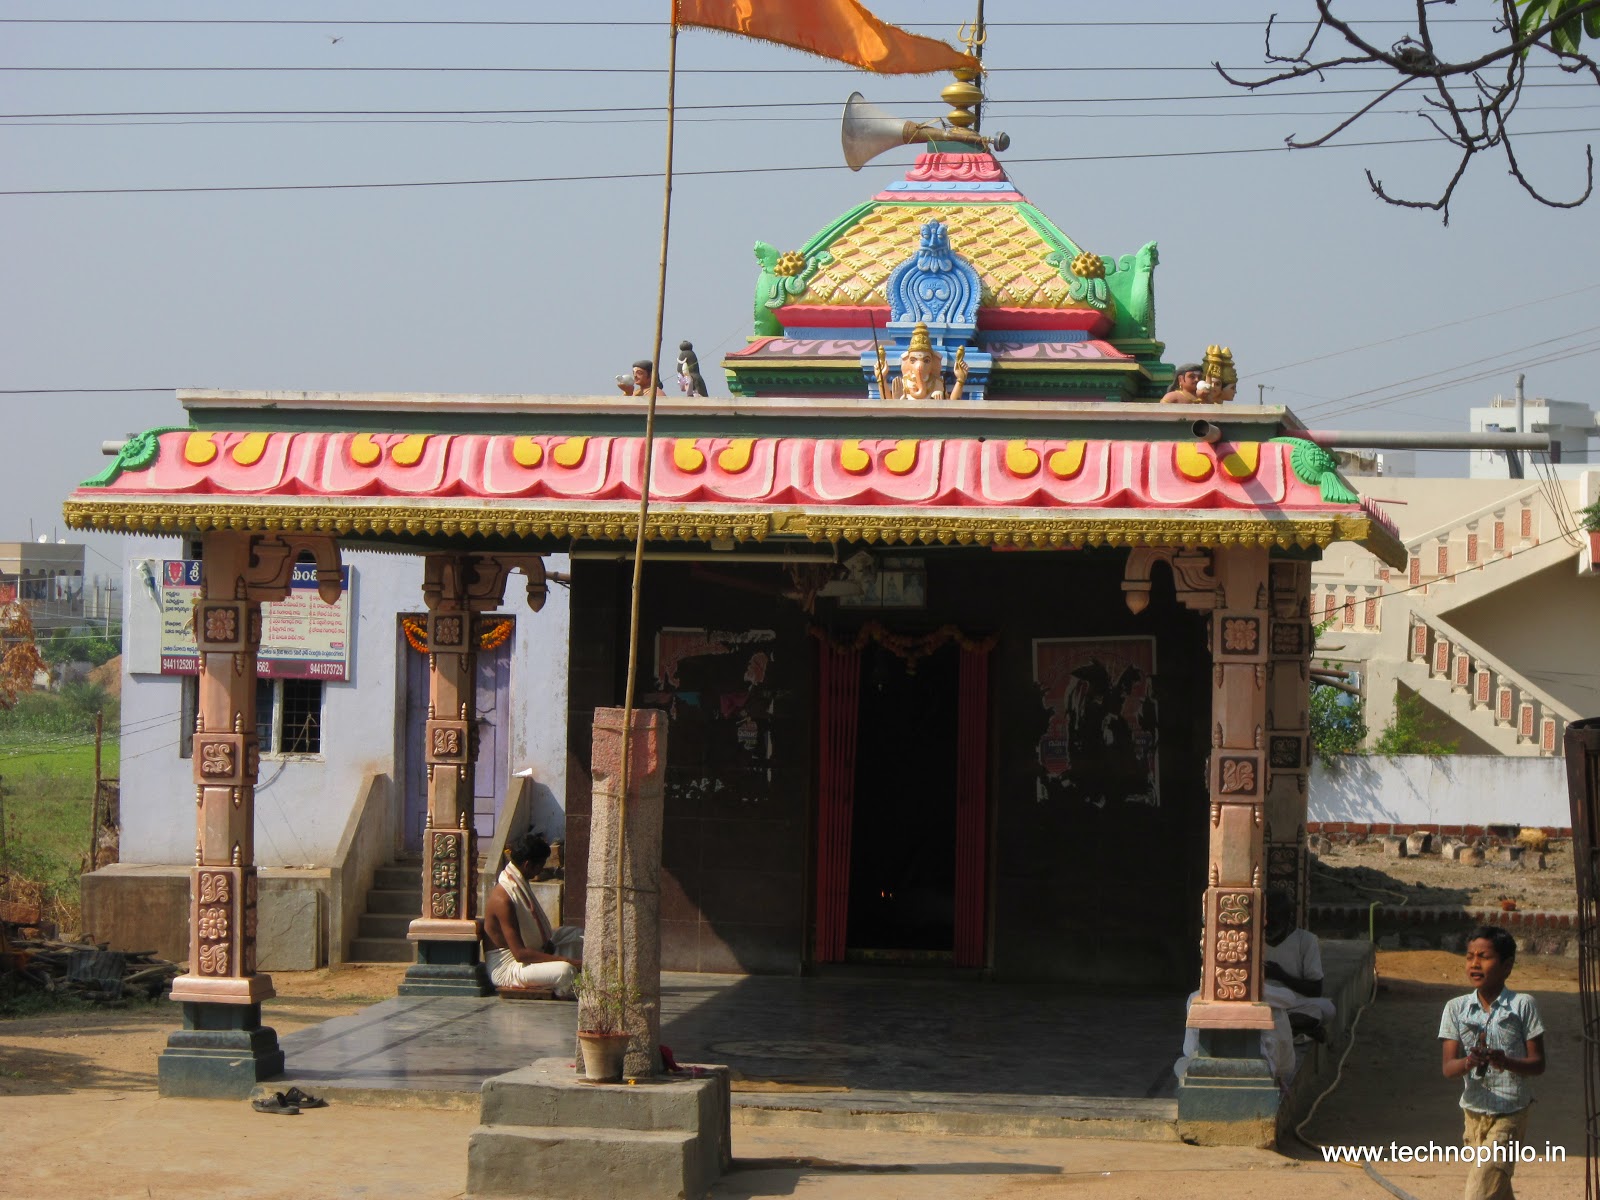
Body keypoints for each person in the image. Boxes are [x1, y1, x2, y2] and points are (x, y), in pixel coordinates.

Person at [1440, 925, 1546, 1200]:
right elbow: (1448, 1068)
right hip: (1473, 1113)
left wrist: (1506, 1061)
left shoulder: (1523, 1005)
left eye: (1484, 957)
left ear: (1506, 966)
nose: (1474, 964)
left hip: (1511, 1112)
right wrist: (1469, 1061)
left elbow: (1538, 1063)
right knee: (1496, 1189)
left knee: (1479, 1191)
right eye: (1469, 957)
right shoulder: (1455, 1008)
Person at [483, 832, 582, 995]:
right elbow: (520, 954)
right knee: (566, 971)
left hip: (527, 955)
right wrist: (568, 961)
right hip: (509, 968)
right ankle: (565, 988)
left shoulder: (518, 880)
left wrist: (547, 945)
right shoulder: (503, 899)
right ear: (528, 865)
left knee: (576, 936)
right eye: (540, 865)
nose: (541, 870)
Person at [1263, 890, 1336, 1043]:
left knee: (1326, 1008)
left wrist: (1281, 975)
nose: (1268, 928)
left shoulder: (1306, 940)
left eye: (1274, 923)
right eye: (1265, 922)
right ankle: (1294, 1029)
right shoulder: (1250, 937)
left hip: (1293, 1005)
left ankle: (1279, 1026)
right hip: (1263, 1004)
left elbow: (1315, 990)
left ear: (1288, 918)